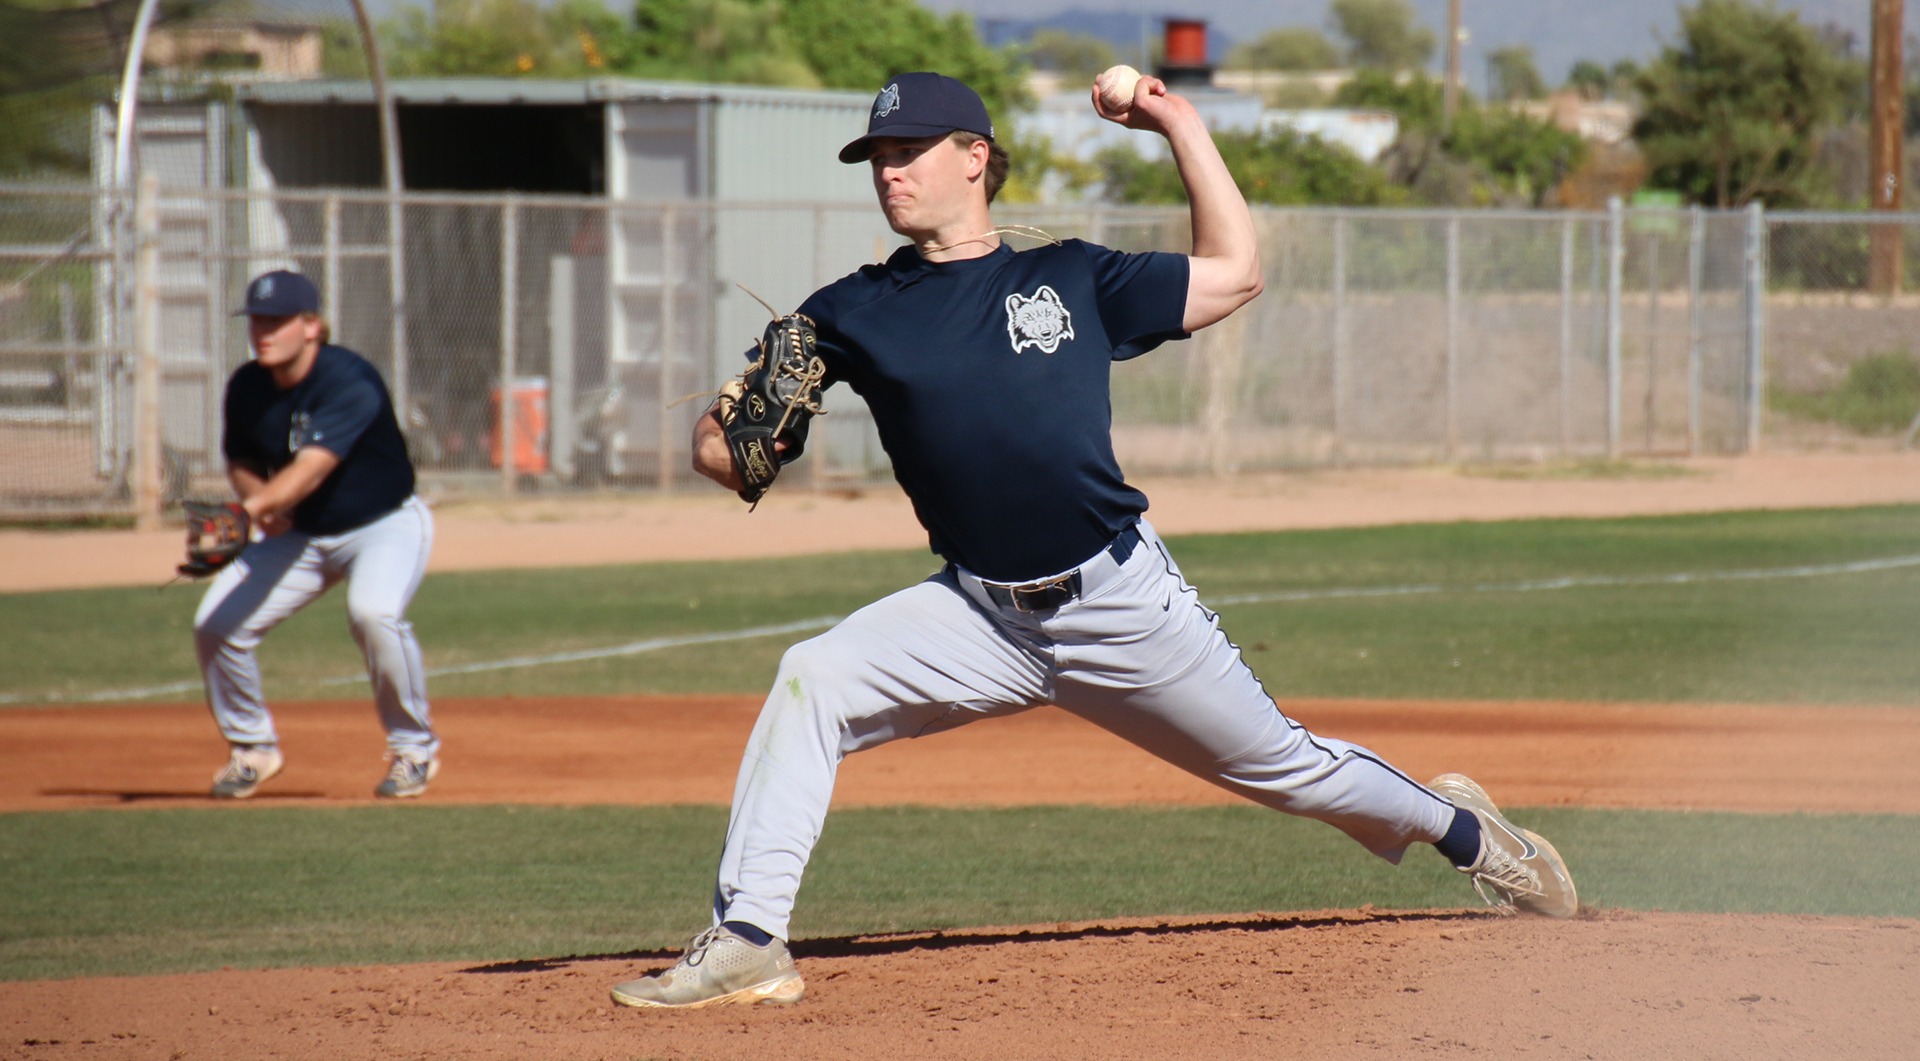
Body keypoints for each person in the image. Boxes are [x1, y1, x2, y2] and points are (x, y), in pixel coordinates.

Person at [609, 72, 1576, 1010]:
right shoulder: (849, 311)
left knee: (1290, 768)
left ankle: (1469, 834)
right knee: (812, 678)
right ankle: (748, 940)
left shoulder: (1068, 276)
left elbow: (1237, 272)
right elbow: (727, 459)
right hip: (977, 615)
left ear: (975, 158)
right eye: (877, 156)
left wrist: (1177, 123)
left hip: (1118, 602)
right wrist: (728, 431)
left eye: (909, 149)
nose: (888, 170)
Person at [193, 269, 440, 800]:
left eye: (277, 321)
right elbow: (240, 460)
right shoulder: (247, 386)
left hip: (383, 525)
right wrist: (260, 506)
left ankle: (414, 750)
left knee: (373, 613)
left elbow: (311, 469)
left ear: (311, 326)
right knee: (217, 625)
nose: (263, 331)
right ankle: (252, 748)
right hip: (300, 534)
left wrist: (250, 509)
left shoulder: (349, 380)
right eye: (257, 320)